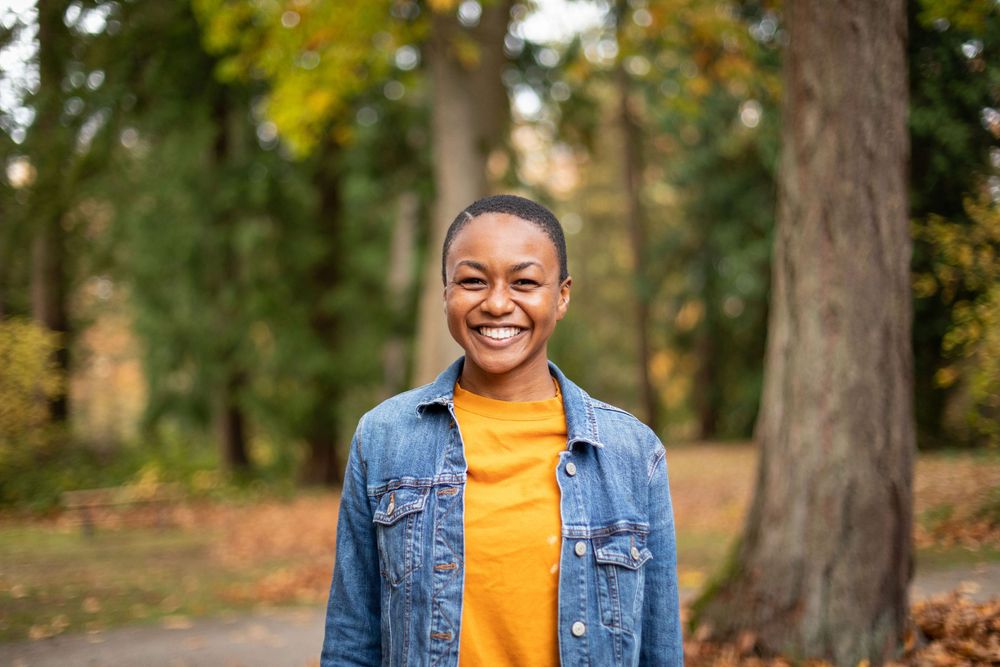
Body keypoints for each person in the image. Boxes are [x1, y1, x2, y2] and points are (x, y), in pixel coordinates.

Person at [321, 194, 683, 666]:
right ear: (446, 292)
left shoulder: (632, 453)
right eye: (473, 281)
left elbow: (660, 649)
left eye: (524, 281)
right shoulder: (384, 438)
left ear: (562, 295)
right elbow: (352, 638)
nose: (496, 303)